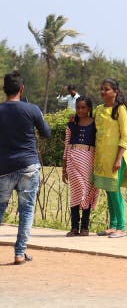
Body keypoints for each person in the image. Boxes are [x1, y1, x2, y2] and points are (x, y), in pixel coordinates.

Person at [0, 70, 51, 264]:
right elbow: (46, 133)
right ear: (22, 89)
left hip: (3, 167)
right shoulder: (32, 109)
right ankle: (19, 253)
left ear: (4, 89)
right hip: (28, 165)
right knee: (27, 210)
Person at [92, 78, 127, 238]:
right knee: (108, 190)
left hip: (117, 158)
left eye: (107, 89)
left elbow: (125, 137)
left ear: (115, 91)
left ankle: (121, 227)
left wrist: (117, 159)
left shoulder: (121, 110)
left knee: (115, 191)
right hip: (102, 158)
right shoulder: (99, 110)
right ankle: (112, 225)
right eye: (101, 89)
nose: (103, 92)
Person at [62, 96, 99, 236]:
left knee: (87, 192)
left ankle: (85, 227)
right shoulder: (71, 124)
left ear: (89, 108)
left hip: (89, 160)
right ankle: (74, 227)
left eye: (83, 107)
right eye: (78, 107)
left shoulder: (95, 124)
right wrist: (64, 167)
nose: (80, 110)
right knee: (76, 192)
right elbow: (66, 145)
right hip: (72, 159)